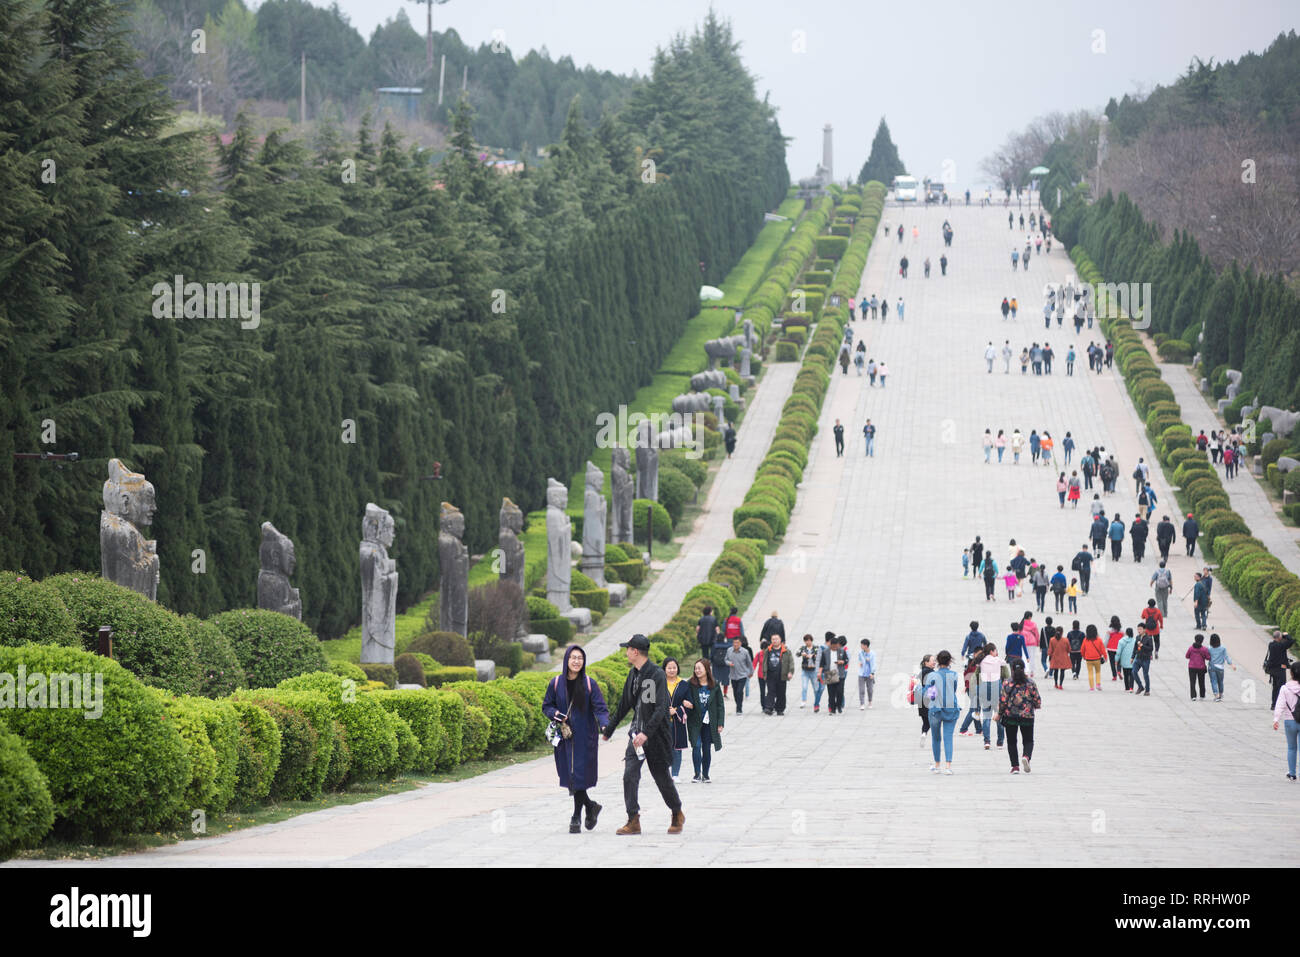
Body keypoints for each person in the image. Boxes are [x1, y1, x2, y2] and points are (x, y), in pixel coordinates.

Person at [602, 635, 684, 835]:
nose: (626, 652)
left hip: (655, 737)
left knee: (662, 778)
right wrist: (609, 730)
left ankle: (676, 812)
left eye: (628, 649)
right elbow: (625, 704)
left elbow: (662, 708)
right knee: (629, 776)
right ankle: (633, 819)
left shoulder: (656, 674)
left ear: (635, 651)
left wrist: (646, 733)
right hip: (635, 736)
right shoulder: (633, 674)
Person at [543, 644, 612, 832]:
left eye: (580, 658)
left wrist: (605, 724)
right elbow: (546, 706)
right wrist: (556, 714)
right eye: (573, 657)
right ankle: (591, 807)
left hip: (585, 737)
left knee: (578, 776)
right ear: (566, 660)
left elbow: (600, 708)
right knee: (570, 775)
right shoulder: (556, 683)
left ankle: (576, 817)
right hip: (564, 737)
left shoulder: (590, 684)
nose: (576, 661)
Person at [998, 658, 1042, 773]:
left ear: (1012, 669)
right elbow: (1037, 699)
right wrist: (1035, 706)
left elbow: (1003, 700)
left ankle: (1015, 766)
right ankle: (1026, 756)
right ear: (1024, 669)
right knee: (1028, 740)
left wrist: (999, 713)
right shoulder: (1030, 683)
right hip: (1027, 716)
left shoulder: (1007, 683)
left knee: (1012, 742)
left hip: (1010, 716)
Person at [683, 659, 724, 782]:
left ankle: (706, 774)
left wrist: (720, 723)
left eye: (699, 668)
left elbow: (720, 705)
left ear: (707, 669)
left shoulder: (714, 685)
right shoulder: (690, 684)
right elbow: (684, 697)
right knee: (696, 746)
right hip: (694, 721)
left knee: (706, 748)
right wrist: (685, 703)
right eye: (695, 668)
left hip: (709, 723)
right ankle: (697, 774)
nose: (697, 670)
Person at [925, 650, 962, 775]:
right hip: (951, 709)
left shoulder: (932, 676)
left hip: (935, 709)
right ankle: (948, 766)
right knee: (948, 737)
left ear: (938, 661)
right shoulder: (954, 675)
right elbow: (954, 689)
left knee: (936, 738)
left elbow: (930, 694)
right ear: (949, 661)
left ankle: (937, 765)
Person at [1272, 662, 1300, 780]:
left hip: (1290, 720)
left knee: (1291, 747)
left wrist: (1276, 719)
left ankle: (1292, 773)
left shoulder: (1285, 688)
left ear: (1291, 673)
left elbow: (1280, 705)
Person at [763, 632, 794, 715]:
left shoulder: (786, 651)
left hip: (782, 674)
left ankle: (780, 709)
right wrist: (764, 673)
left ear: (780, 640)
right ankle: (769, 708)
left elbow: (791, 662)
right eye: (773, 639)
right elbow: (764, 662)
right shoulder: (768, 650)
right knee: (770, 691)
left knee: (781, 693)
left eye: (776, 639)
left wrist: (790, 672)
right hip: (770, 674)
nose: (775, 641)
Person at [724, 635, 752, 714]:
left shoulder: (745, 652)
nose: (735, 644)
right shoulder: (729, 650)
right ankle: (738, 704)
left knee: (740, 691)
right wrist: (729, 663)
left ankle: (739, 708)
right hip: (733, 675)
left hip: (742, 675)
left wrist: (751, 672)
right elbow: (725, 660)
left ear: (740, 643)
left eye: (737, 643)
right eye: (734, 643)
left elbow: (749, 663)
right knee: (735, 692)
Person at [1265, 631, 1294, 709]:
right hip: (1280, 669)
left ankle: (1273, 704)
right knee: (1281, 687)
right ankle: (1280, 705)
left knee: (1275, 687)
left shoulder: (1271, 645)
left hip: (1273, 670)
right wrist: (1286, 635)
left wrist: (1282, 637)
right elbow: (1291, 641)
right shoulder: (1281, 646)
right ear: (1279, 637)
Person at [796, 633, 823, 711]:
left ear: (811, 640)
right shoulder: (803, 648)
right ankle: (803, 701)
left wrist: (813, 656)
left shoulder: (816, 648)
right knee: (804, 687)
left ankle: (816, 701)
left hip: (814, 670)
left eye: (809, 640)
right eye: (806, 641)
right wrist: (802, 654)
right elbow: (797, 654)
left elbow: (820, 655)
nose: (807, 642)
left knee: (816, 687)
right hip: (805, 670)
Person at [1207, 633, 1235, 702]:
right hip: (1220, 668)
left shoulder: (1209, 648)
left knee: (1213, 681)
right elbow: (1226, 657)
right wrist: (1231, 665)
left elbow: (1207, 657)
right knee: (1220, 682)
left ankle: (1216, 695)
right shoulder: (1223, 648)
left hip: (1212, 667)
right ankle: (1221, 694)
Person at [916, 654, 936, 743]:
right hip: (928, 699)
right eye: (932, 661)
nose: (934, 662)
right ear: (926, 662)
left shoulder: (921, 672)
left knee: (925, 721)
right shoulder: (931, 673)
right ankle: (934, 738)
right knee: (932, 721)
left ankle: (923, 733)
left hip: (921, 700)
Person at [1081, 624, 1107, 691]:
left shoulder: (1085, 640)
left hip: (1088, 659)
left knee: (1090, 672)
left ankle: (1091, 687)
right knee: (1098, 672)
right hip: (1097, 659)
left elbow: (1082, 649)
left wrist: (1083, 656)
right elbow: (1103, 649)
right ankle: (1098, 684)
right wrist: (1105, 657)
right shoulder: (1099, 640)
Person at [1186, 634, 1212, 702]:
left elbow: (1187, 656)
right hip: (1201, 667)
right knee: (1201, 682)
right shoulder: (1204, 649)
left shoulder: (1191, 648)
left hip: (1192, 667)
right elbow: (1208, 658)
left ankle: (1193, 696)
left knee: (1192, 682)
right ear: (1202, 641)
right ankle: (1202, 695)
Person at [1132, 624, 1154, 695]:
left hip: (1146, 659)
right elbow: (1135, 647)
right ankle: (1140, 686)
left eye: (1140, 629)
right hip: (1138, 658)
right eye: (1138, 629)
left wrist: (1142, 646)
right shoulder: (1137, 637)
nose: (1139, 631)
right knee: (1134, 672)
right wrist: (1132, 657)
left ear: (1144, 630)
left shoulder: (1149, 638)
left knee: (1145, 674)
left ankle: (1147, 690)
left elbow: (1151, 648)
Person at [857, 638, 876, 709]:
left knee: (870, 689)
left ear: (866, 646)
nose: (861, 646)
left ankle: (870, 701)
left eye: (862, 645)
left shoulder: (872, 654)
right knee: (861, 689)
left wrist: (872, 673)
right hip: (861, 673)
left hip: (869, 674)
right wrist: (860, 663)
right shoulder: (860, 653)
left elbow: (873, 664)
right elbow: (860, 660)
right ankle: (862, 703)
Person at [1106, 616, 1123, 682]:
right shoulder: (1122, 631)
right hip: (1119, 648)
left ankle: (1114, 676)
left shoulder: (1109, 630)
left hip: (1110, 648)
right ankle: (1119, 671)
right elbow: (1124, 640)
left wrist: (1103, 647)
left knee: (1112, 662)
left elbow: (1106, 640)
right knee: (1119, 661)